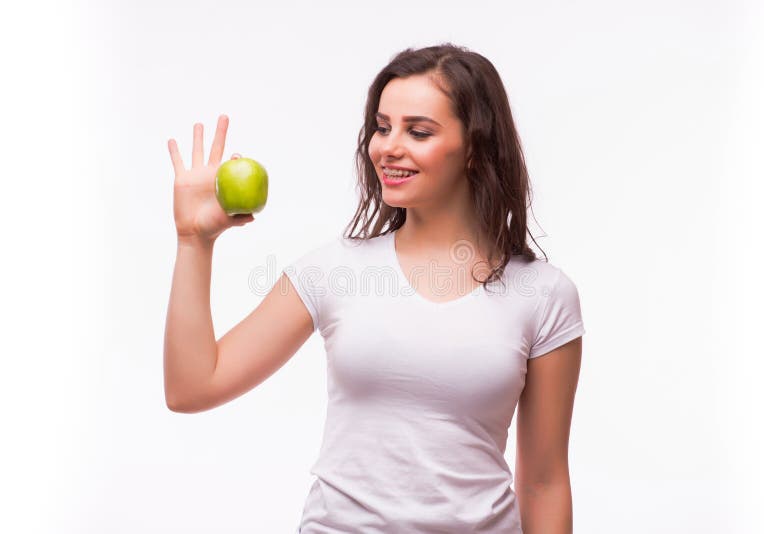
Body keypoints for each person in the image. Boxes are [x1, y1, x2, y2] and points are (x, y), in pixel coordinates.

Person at [164, 43, 585, 534]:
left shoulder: (544, 294)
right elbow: (192, 387)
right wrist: (194, 242)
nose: (388, 146)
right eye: (383, 127)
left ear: (475, 147)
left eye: (418, 131)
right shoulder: (336, 270)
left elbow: (544, 482)